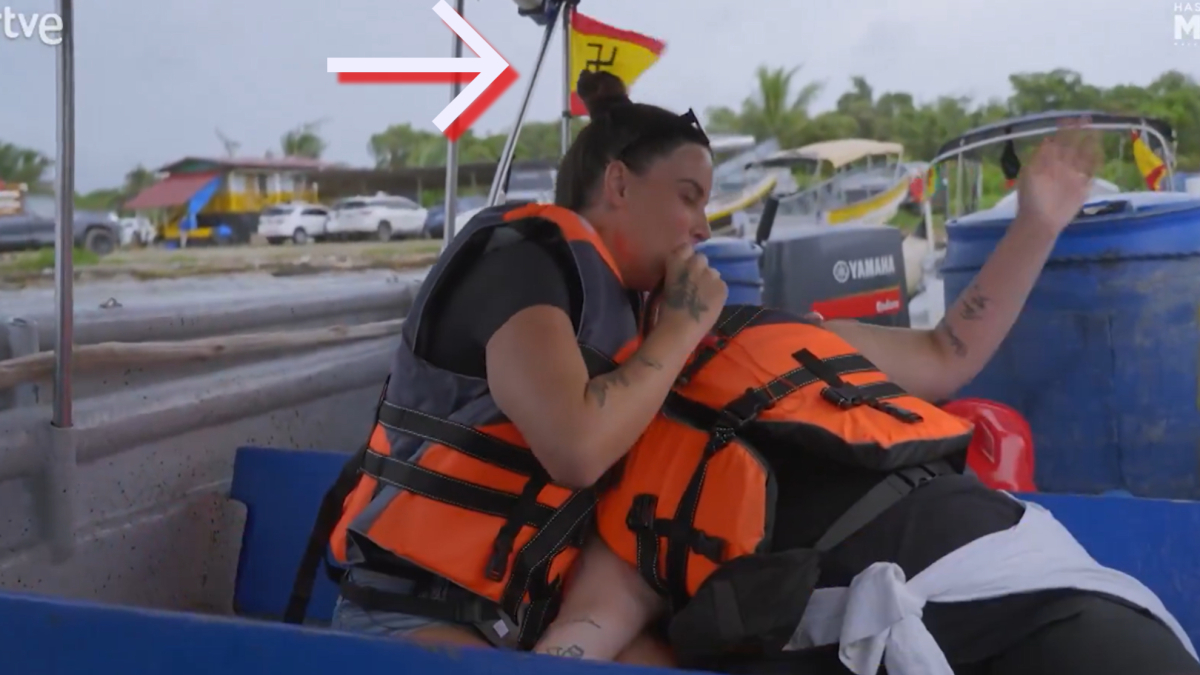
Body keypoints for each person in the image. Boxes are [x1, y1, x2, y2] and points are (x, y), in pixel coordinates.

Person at [529, 125, 1200, 675]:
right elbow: (583, 637)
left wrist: (1038, 223)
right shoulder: (623, 496)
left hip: (1039, 585)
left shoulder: (778, 336)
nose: (704, 227)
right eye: (686, 197)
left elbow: (946, 353)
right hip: (886, 638)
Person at [282, 70, 725, 664]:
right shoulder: (524, 264)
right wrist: (682, 327)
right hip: (407, 614)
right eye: (689, 197)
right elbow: (576, 448)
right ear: (619, 182)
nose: (704, 227)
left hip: (516, 617)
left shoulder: (624, 306)